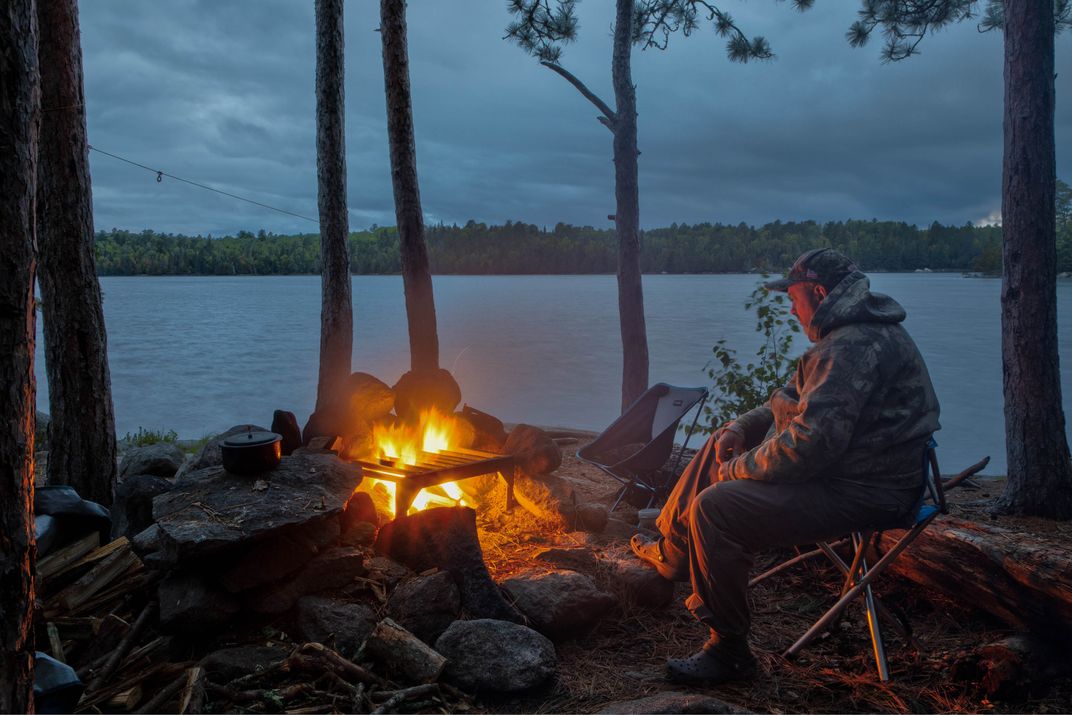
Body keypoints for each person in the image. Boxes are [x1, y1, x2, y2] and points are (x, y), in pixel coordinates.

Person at [631, 247, 940, 685]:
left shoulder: (849, 348)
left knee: (717, 508)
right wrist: (740, 427)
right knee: (721, 441)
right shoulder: (848, 338)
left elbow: (806, 450)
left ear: (819, 293)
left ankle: (728, 652)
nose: (792, 310)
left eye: (794, 298)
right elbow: (794, 399)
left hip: (868, 490)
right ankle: (675, 554)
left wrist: (735, 469)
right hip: (854, 473)